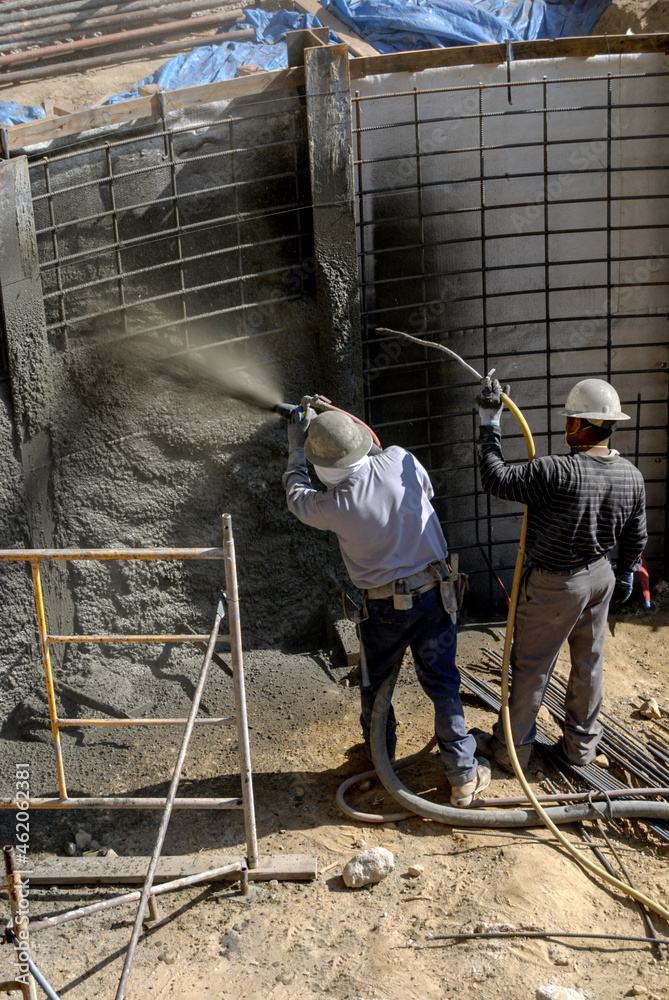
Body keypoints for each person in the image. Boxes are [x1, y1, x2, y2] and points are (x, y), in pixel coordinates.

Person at [282, 407, 491, 807]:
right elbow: (414, 484)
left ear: (323, 465)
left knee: (376, 685)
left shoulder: (333, 504)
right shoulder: (400, 458)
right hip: (436, 594)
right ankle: (463, 777)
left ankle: (381, 757)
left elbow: (296, 495)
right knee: (443, 684)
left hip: (385, 611)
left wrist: (295, 450)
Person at [473, 377, 647, 772]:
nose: (567, 425)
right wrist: (625, 574)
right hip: (600, 578)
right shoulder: (631, 476)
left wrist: (489, 423)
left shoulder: (556, 471)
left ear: (580, 425)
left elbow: (494, 478)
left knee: (532, 666)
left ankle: (511, 749)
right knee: (589, 664)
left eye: (571, 419)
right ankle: (581, 750)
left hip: (556, 585)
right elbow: (636, 535)